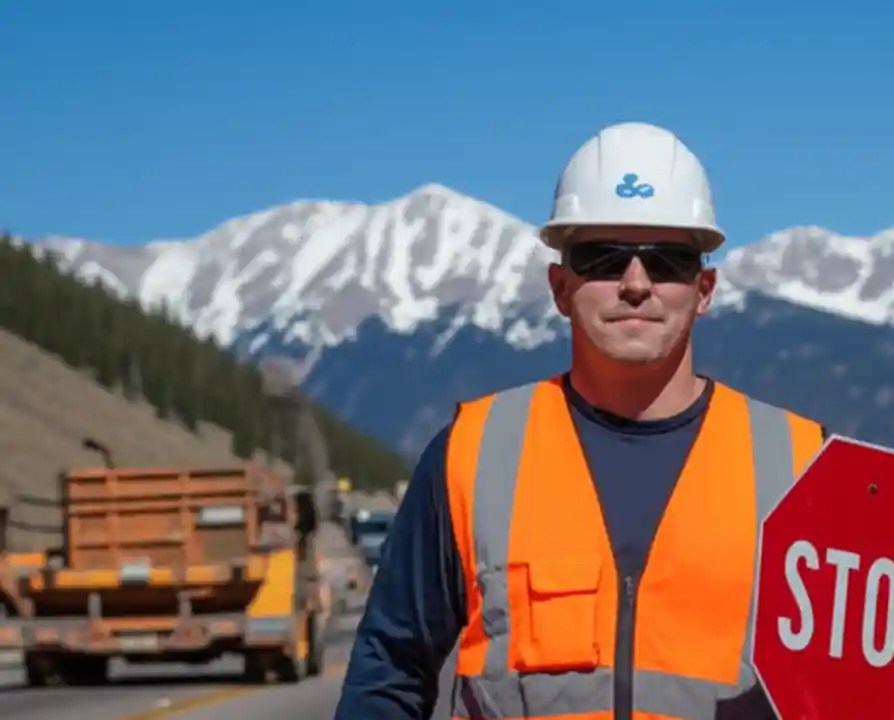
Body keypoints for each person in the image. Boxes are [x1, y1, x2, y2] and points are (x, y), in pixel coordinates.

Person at [334, 121, 828, 720]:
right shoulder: (474, 455)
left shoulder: (804, 465)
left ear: (704, 288)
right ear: (560, 286)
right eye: (604, 257)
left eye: (667, 259)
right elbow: (389, 671)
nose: (637, 283)